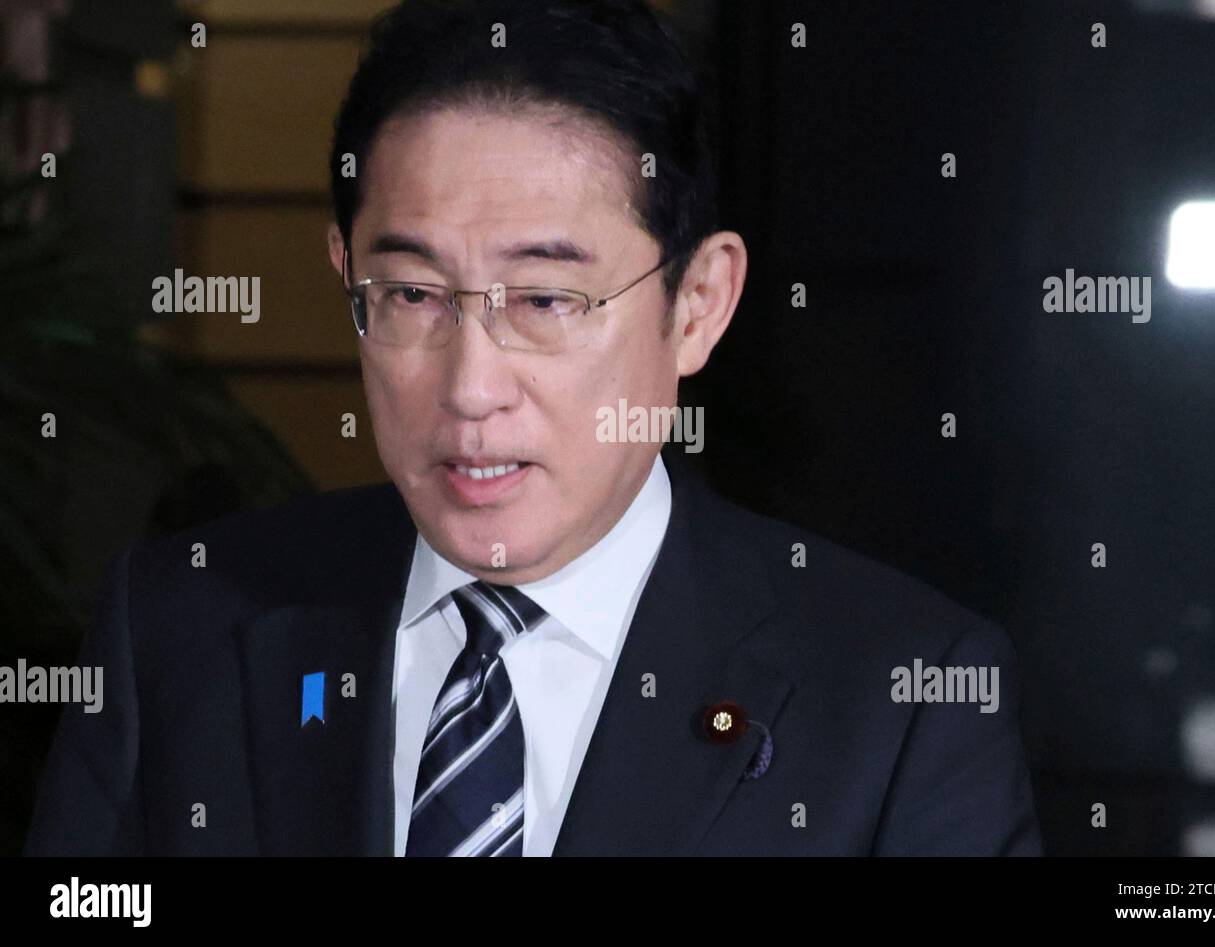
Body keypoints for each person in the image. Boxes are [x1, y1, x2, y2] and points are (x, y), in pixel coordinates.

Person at [24, 0, 1041, 856]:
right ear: (345, 273)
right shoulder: (175, 629)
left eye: (546, 301)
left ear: (697, 304)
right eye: (414, 294)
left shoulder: (902, 702)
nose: (470, 388)